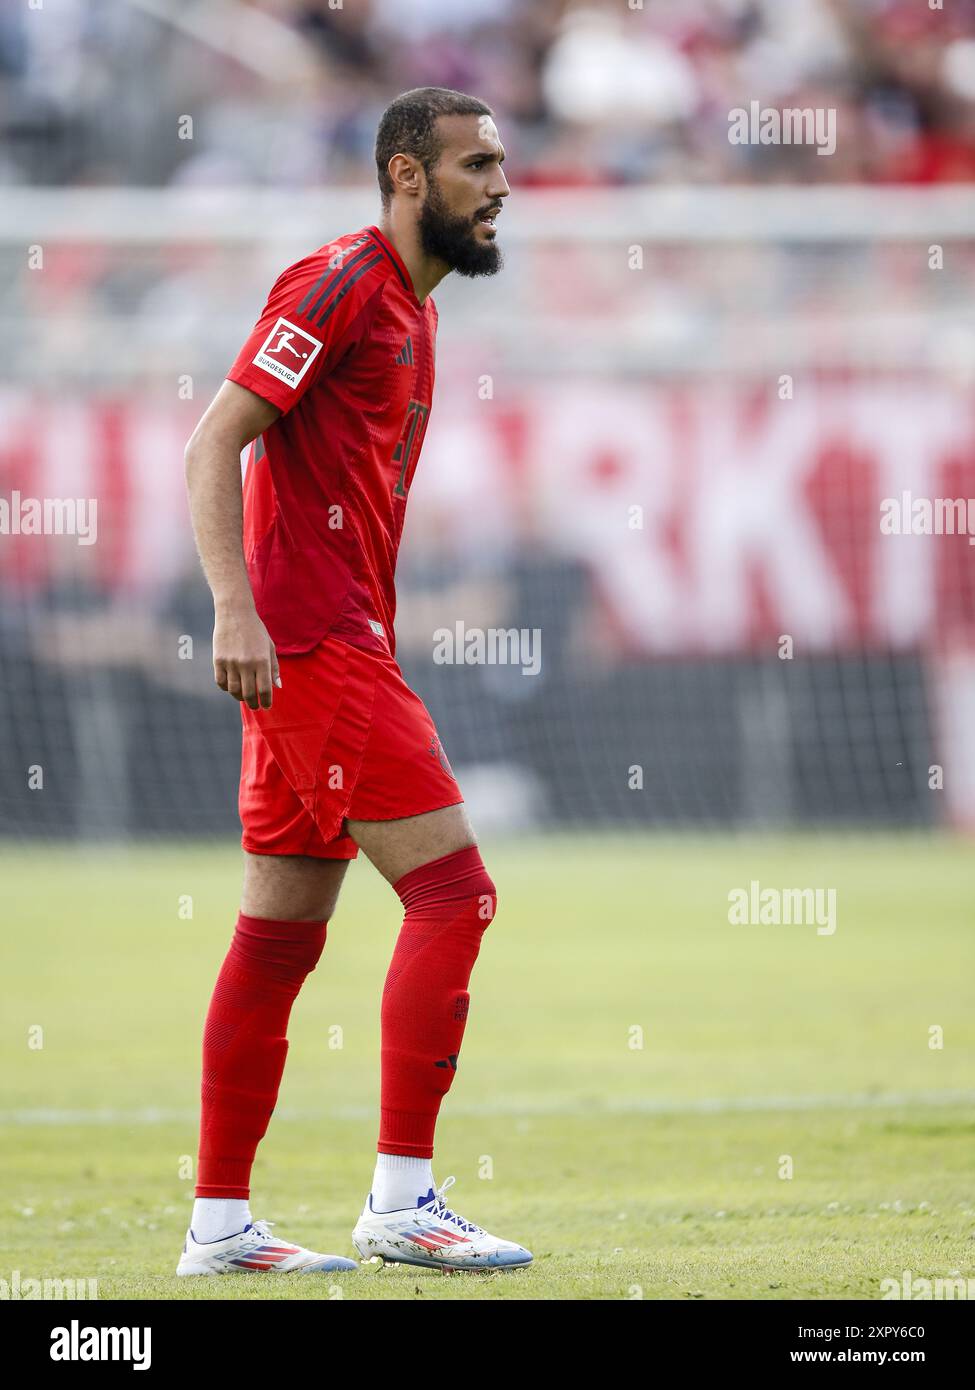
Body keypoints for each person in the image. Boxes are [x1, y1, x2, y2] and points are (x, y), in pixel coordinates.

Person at [179, 87, 528, 1274]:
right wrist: (235, 605)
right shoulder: (338, 282)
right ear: (406, 175)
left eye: (503, 164)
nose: (500, 185)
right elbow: (213, 439)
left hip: (326, 642)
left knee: (278, 936)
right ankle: (403, 1199)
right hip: (309, 641)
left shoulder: (416, 312)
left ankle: (218, 1223)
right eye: (476, 164)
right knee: (455, 893)